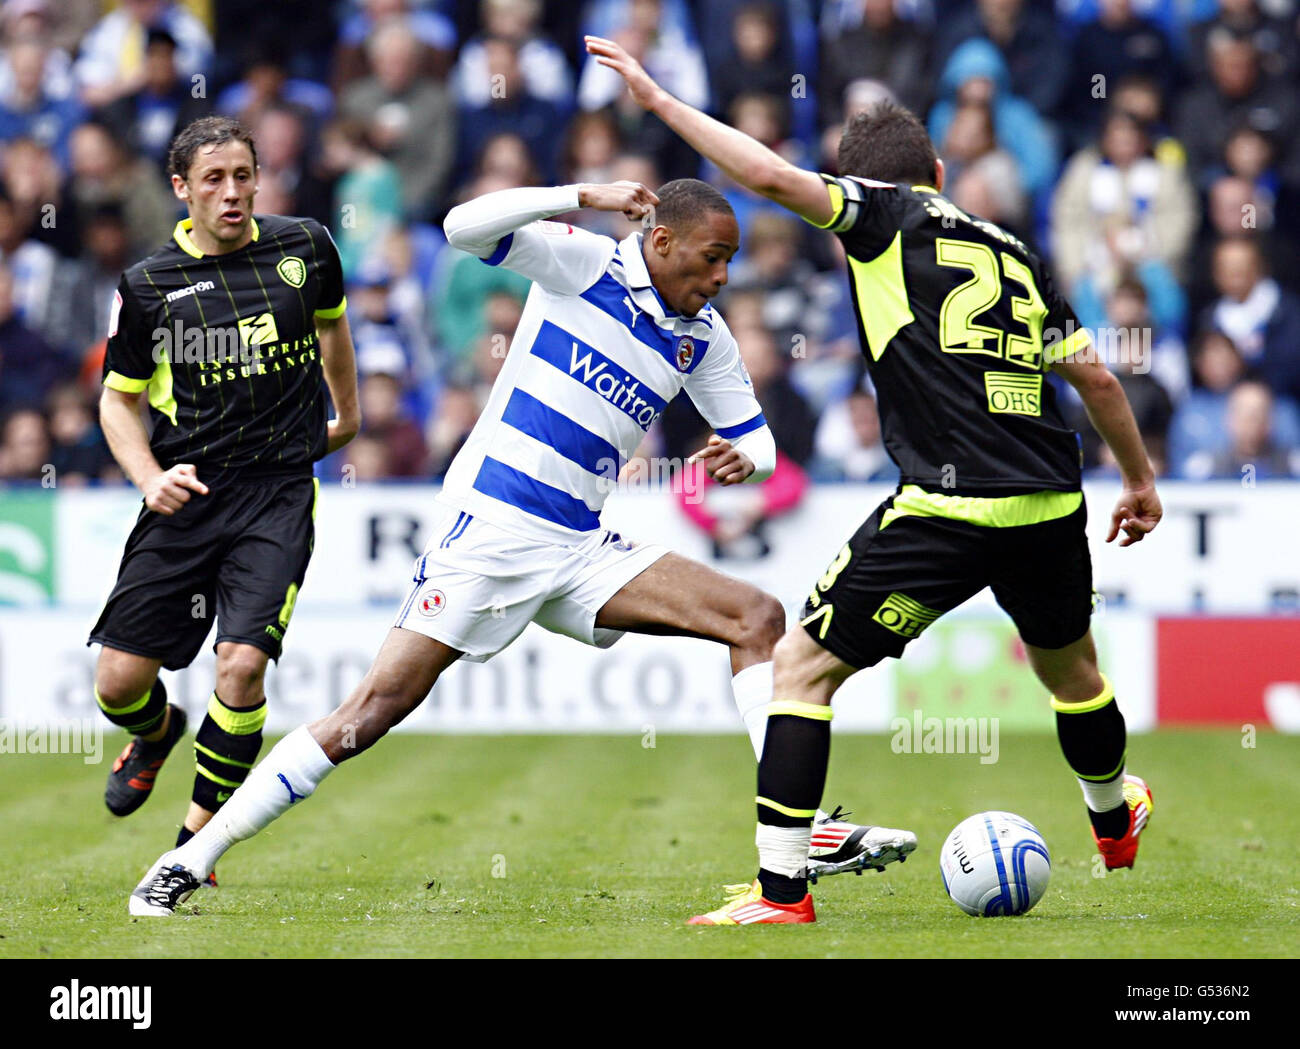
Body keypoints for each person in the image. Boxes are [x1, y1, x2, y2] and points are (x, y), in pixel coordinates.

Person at [127, 175, 915, 916]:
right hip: (493, 534)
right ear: (662, 240)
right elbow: (460, 227)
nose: (722, 277)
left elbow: (761, 442)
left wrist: (749, 460)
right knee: (370, 712)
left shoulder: (702, 339)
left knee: (757, 616)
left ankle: (798, 829)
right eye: (713, 258)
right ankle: (191, 856)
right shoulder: (584, 264)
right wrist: (580, 194)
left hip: (580, 545)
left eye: (731, 261)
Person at [587, 35, 1164, 925]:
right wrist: (1140, 481)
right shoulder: (1016, 251)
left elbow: (769, 177)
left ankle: (782, 893)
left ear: (866, 183)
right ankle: (1113, 815)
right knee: (1073, 670)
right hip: (1050, 499)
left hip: (949, 504)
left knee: (800, 668)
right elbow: (1099, 381)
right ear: (940, 171)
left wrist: (660, 103)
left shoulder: (884, 217)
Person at [89, 116, 361, 882]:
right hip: (187, 492)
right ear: (182, 188)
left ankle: (193, 846)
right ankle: (156, 732)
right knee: (118, 684)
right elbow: (117, 401)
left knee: (240, 667)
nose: (233, 192)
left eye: (244, 175)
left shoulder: (306, 247)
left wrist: (347, 416)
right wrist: (150, 478)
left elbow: (334, 330)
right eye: (214, 179)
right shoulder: (149, 286)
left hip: (277, 491)